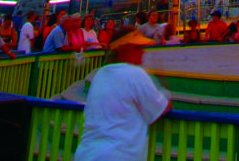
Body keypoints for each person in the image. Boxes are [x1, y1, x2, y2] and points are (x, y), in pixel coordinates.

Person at [73, 27, 170, 161]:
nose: (142, 51)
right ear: (123, 51)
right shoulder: (135, 74)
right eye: (136, 48)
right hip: (118, 154)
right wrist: (165, 91)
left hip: (87, 152)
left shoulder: (100, 74)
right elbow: (161, 108)